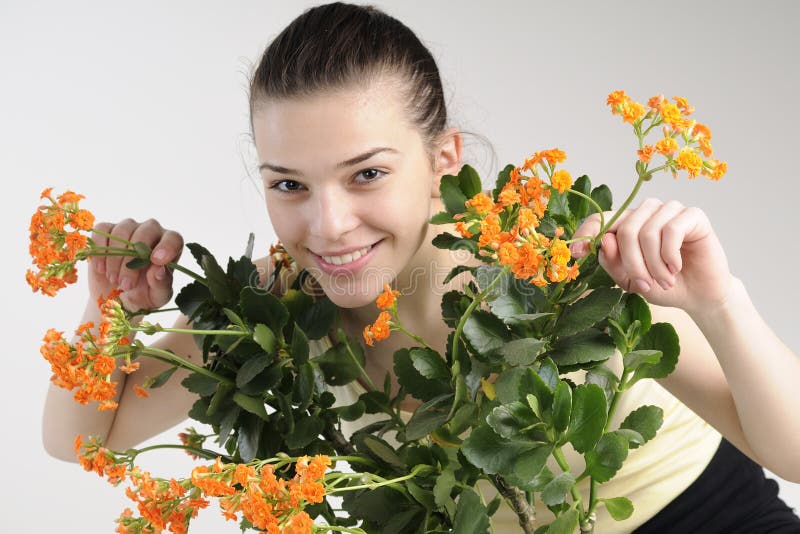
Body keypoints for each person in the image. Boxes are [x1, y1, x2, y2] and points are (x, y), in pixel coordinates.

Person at [41, 2, 800, 532]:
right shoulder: (275, 309)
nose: (328, 225)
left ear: (443, 160)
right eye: (288, 185)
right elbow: (80, 438)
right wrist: (108, 309)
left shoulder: (556, 254)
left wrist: (720, 303)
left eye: (366, 174)